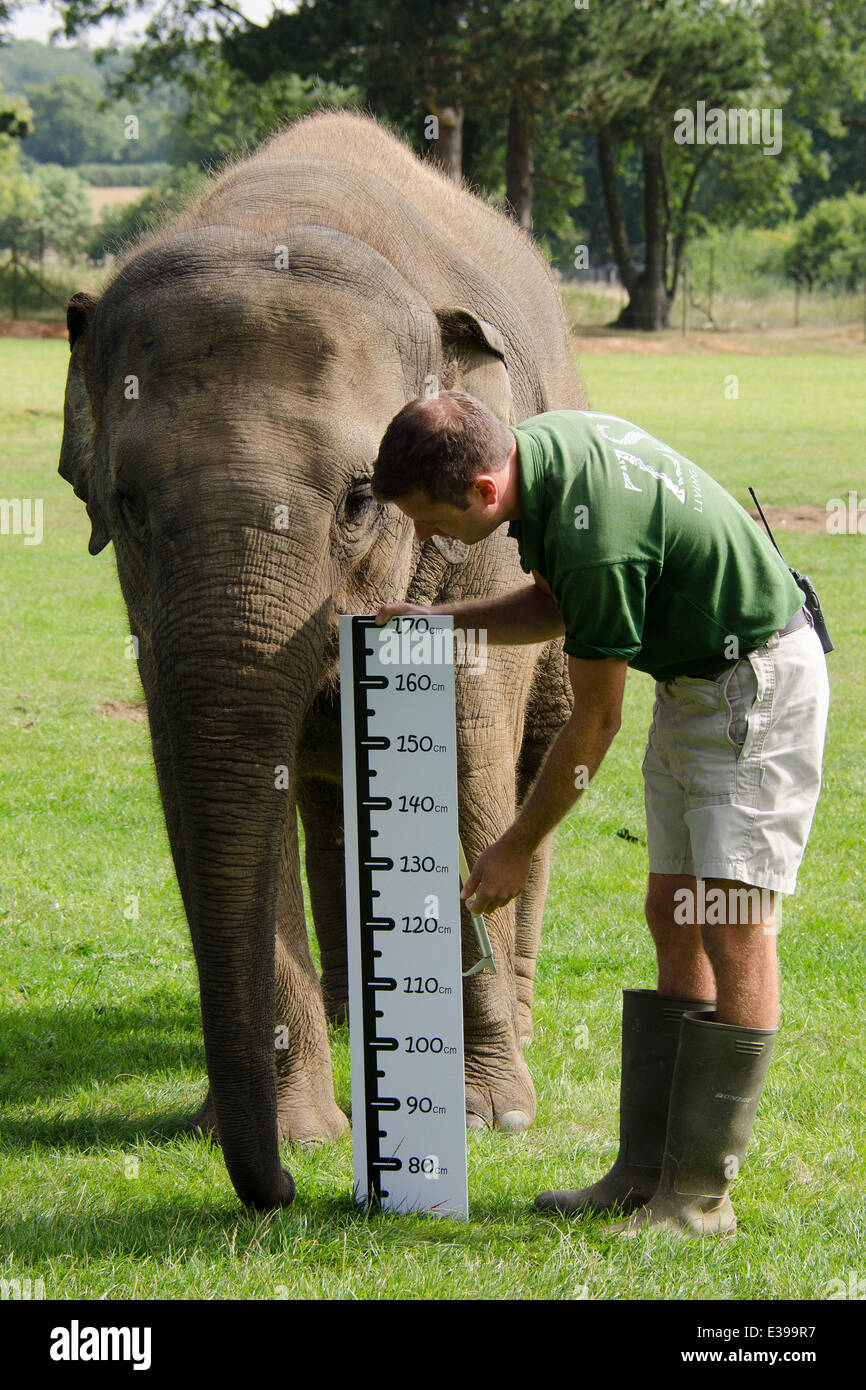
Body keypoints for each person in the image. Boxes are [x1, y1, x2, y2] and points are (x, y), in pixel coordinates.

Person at [371, 389, 830, 1238]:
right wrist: (441, 624)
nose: (426, 539)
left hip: (755, 690)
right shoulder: (538, 455)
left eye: (430, 521)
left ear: (480, 487)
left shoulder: (593, 532)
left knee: (732, 920)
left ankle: (697, 1199)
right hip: (699, 686)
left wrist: (515, 845)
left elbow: (594, 722)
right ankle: (646, 1172)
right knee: (674, 912)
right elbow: (559, 606)